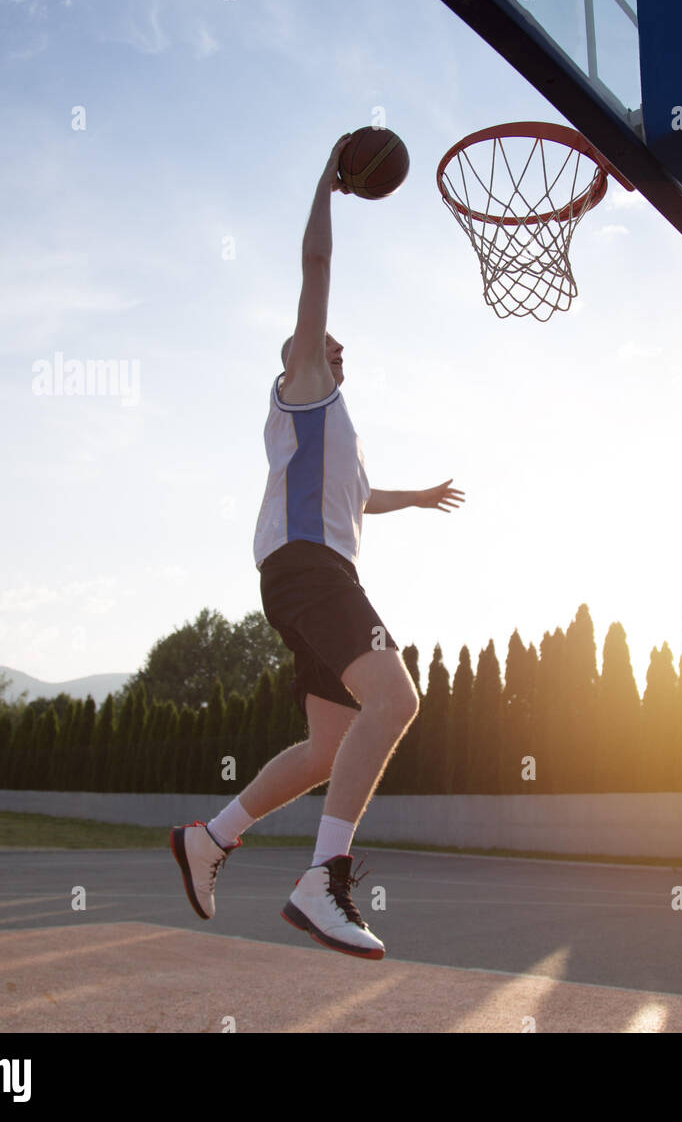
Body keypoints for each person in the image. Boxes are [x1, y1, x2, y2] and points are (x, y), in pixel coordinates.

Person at [172, 133, 464, 960]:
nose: (331, 345)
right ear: (298, 359)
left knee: (328, 746)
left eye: (334, 346)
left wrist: (422, 496)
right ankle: (320, 879)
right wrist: (327, 187)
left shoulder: (337, 432)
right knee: (399, 701)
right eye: (316, 341)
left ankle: (211, 837)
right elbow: (315, 269)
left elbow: (365, 497)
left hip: (303, 573)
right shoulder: (302, 387)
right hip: (312, 571)